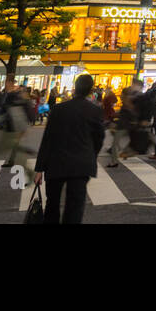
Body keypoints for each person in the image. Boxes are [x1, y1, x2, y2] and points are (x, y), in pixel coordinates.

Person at [33, 73, 105, 224]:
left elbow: (47, 139)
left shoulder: (58, 109)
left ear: (75, 88)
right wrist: (91, 155)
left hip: (56, 162)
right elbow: (99, 139)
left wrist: (39, 168)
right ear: (90, 90)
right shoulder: (95, 111)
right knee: (75, 206)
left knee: (52, 204)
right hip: (81, 163)